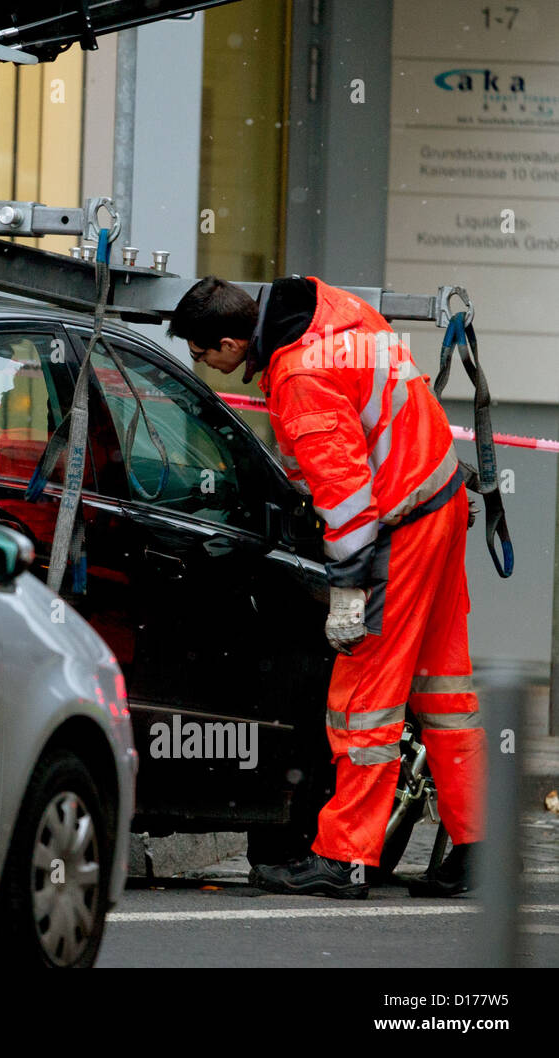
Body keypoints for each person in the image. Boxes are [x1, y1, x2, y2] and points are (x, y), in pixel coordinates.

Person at [169, 275, 485, 899]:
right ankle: (478, 849)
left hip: (399, 524)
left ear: (234, 342)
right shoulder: (330, 305)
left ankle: (344, 858)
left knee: (364, 695)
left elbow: (347, 504)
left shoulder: (297, 378)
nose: (202, 363)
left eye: (204, 353)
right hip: (439, 497)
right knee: (442, 687)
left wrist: (348, 590)